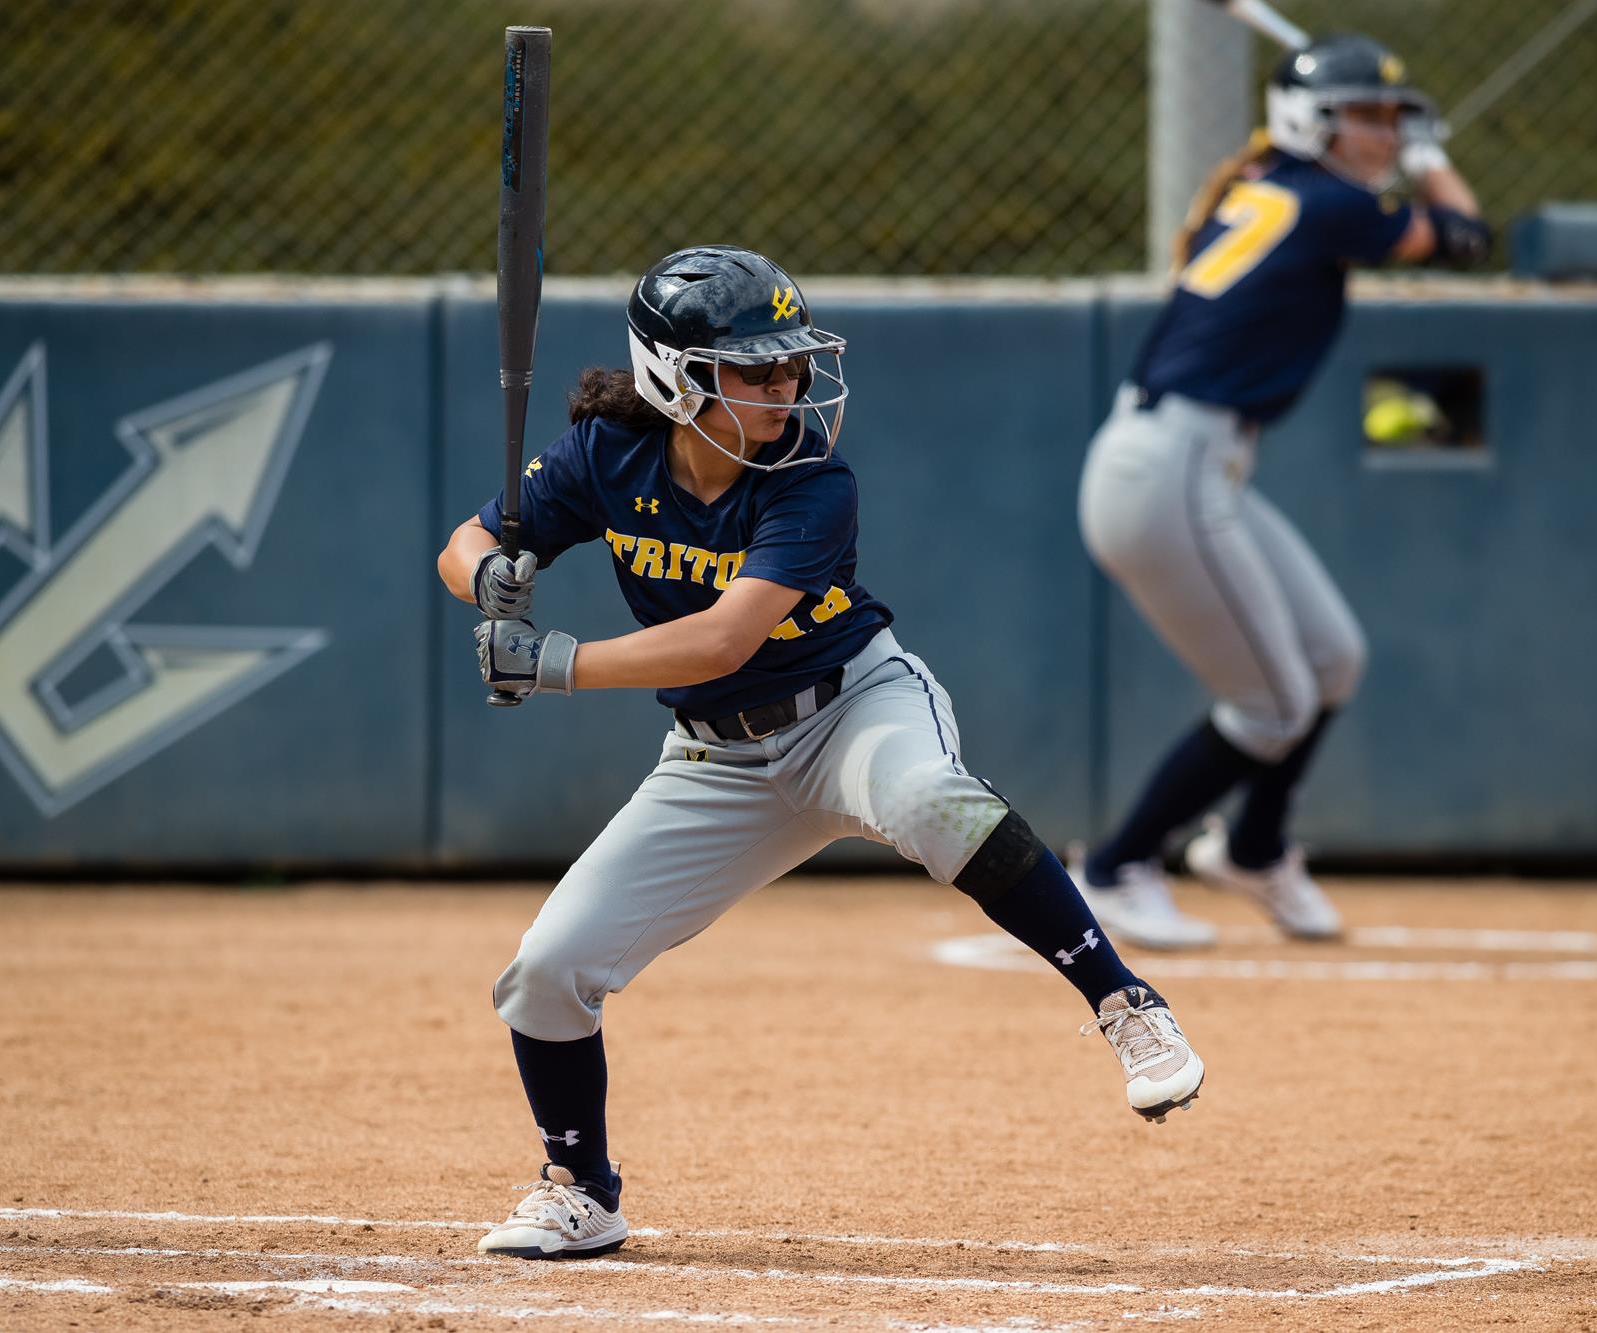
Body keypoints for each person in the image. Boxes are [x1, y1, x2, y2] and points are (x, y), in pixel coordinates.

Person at [436, 246, 1206, 1261]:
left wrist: (553, 662)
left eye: (792, 365)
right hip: (717, 761)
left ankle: (1123, 1001)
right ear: (677, 378)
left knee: (933, 798)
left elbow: (721, 640)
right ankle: (581, 1189)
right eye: (755, 371)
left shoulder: (810, 478)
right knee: (546, 969)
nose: (785, 387)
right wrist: (492, 573)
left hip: (853, 709)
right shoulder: (600, 455)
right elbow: (465, 541)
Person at [1069, 35, 1489, 949]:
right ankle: (1114, 866)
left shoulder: (1273, 185)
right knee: (1274, 705)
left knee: (1332, 658)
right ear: (1311, 121)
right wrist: (1431, 161)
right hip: (1171, 466)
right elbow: (1465, 234)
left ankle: (1253, 849)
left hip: (1186, 462)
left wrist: (1395, 143)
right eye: (1364, 117)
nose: (1382, 134)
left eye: (1389, 118)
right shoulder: (1329, 201)